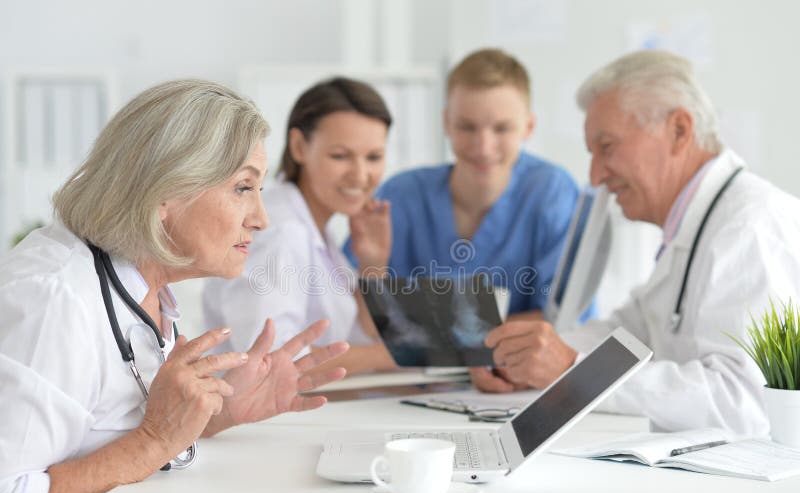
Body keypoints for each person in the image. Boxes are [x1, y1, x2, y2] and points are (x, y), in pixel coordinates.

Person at [0, 79, 348, 493]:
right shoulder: (55, 300)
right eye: (243, 187)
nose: (261, 218)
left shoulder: (146, 283)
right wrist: (154, 440)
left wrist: (215, 414)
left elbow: (105, 426)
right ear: (166, 192)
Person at [476, 50, 800, 435]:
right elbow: (630, 333)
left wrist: (571, 370)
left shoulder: (750, 226)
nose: (595, 176)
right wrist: (524, 357)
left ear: (679, 130)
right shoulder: (694, 226)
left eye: (607, 147)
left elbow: (746, 401)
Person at [346, 48, 581, 366]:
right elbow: (362, 313)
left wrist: (433, 344)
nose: (483, 147)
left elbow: (559, 320)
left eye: (501, 129)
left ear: (528, 126)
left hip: (516, 381)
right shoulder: (402, 196)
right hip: (407, 387)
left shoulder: (551, 192)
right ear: (446, 122)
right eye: (467, 127)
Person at [203, 77, 396, 377]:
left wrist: (373, 265)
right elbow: (270, 360)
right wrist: (400, 353)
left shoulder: (318, 227)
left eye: (373, 157)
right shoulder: (280, 229)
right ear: (298, 147)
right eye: (340, 156)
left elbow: (360, 339)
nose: (361, 175)